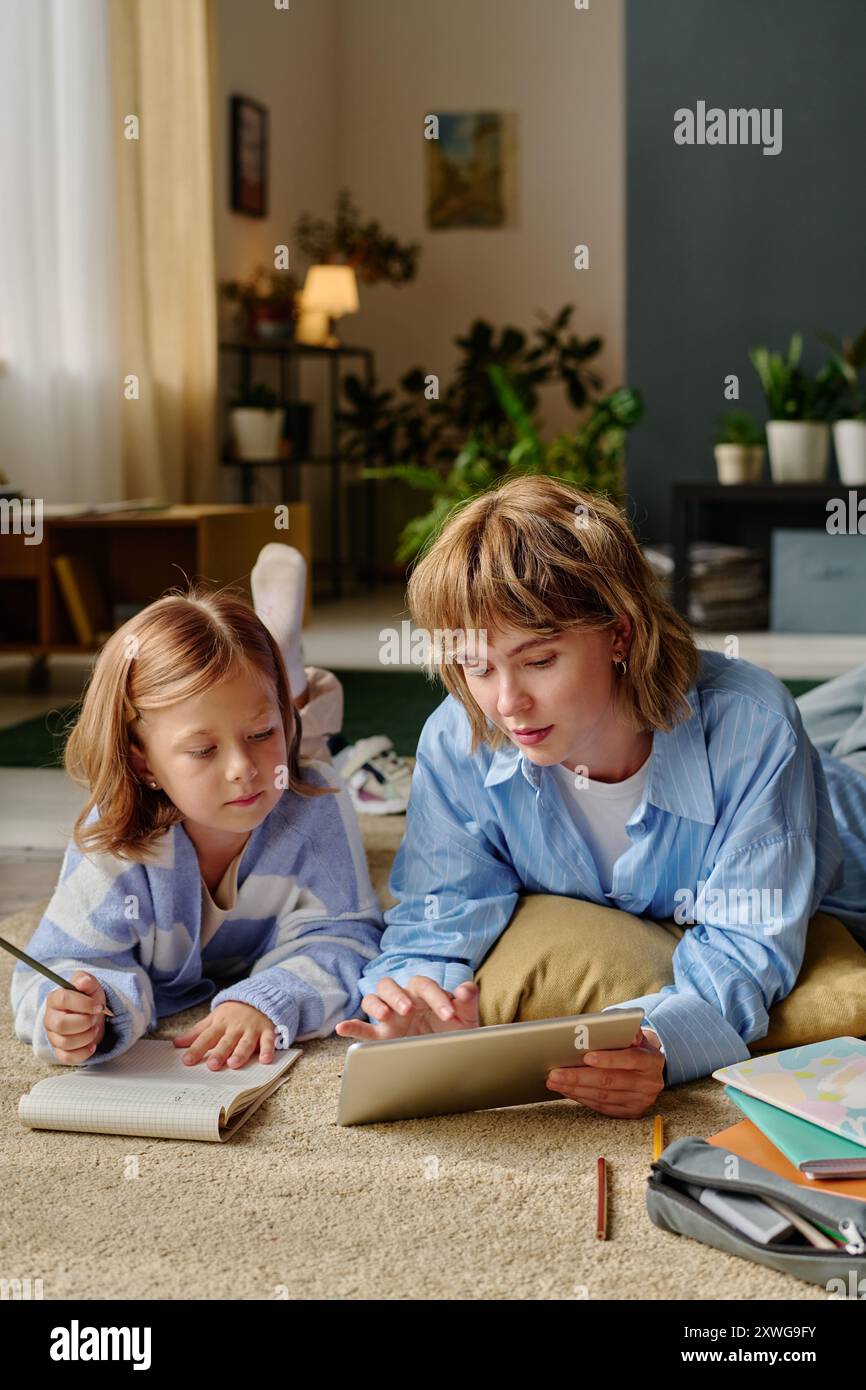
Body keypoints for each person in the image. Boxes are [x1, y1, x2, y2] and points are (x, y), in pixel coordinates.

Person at [337, 475, 866, 1119]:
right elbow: (439, 913)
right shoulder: (458, 738)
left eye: (538, 661)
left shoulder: (753, 729)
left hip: (841, 809)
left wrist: (658, 1044)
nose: (508, 703)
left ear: (619, 634)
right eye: (478, 666)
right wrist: (420, 1007)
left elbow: (747, 947)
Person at [11, 585, 383, 1069]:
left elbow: (348, 936)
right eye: (203, 750)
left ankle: (290, 678)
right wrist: (74, 1010)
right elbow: (61, 963)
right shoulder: (115, 835)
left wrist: (270, 997)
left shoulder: (316, 802)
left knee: (311, 742)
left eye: (261, 733)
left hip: (296, 757)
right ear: (142, 763)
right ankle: (284, 669)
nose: (241, 769)